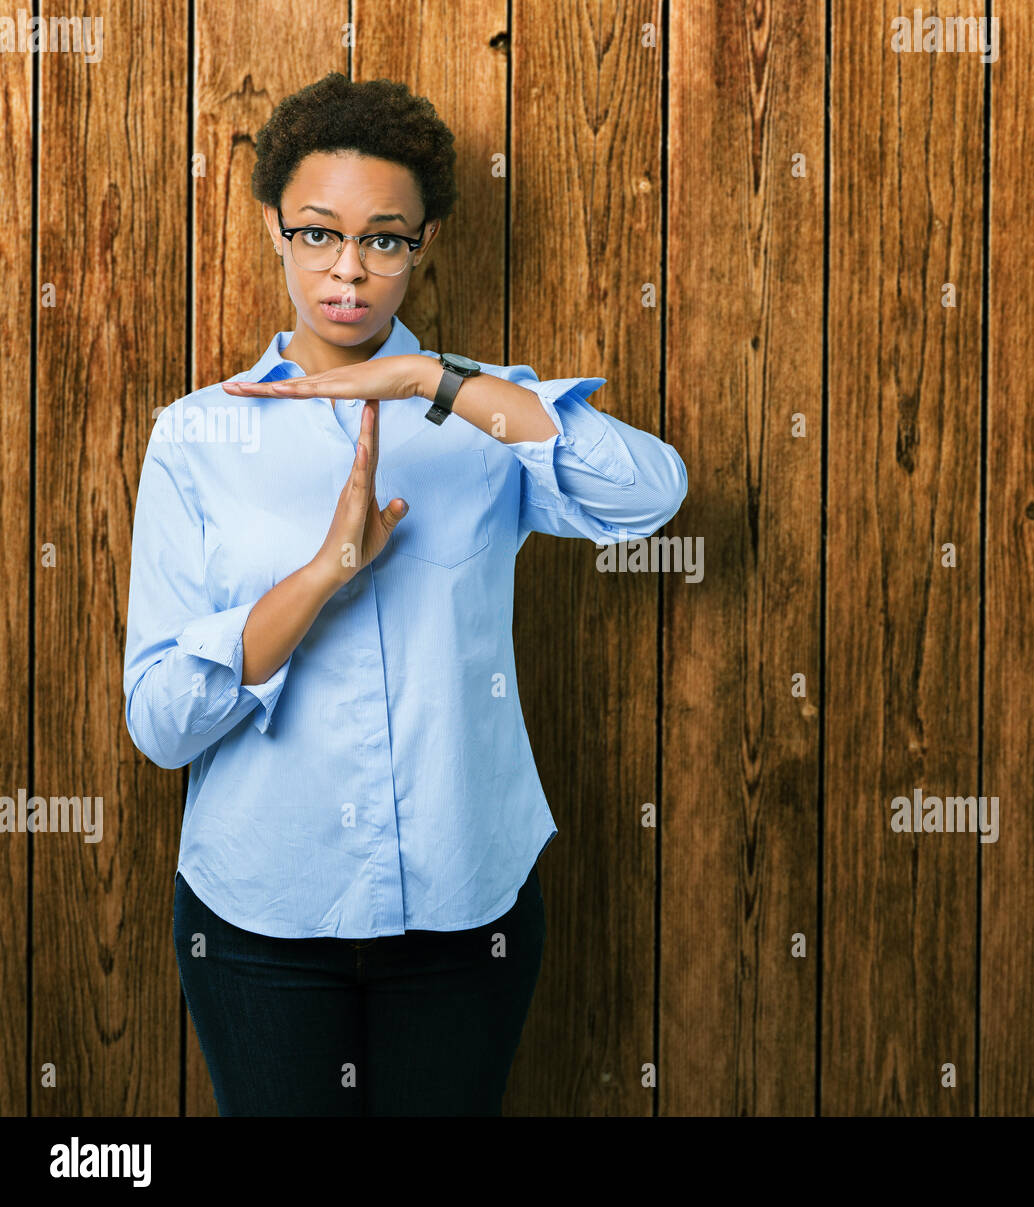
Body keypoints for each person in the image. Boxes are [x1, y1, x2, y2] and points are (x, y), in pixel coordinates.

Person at [122, 72, 687, 1116]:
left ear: (422, 245)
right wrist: (323, 575)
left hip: (464, 910)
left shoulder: (485, 420)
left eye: (386, 238)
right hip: (261, 919)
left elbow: (650, 495)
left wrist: (435, 385)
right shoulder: (197, 436)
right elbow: (160, 722)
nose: (349, 270)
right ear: (274, 231)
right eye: (318, 234)